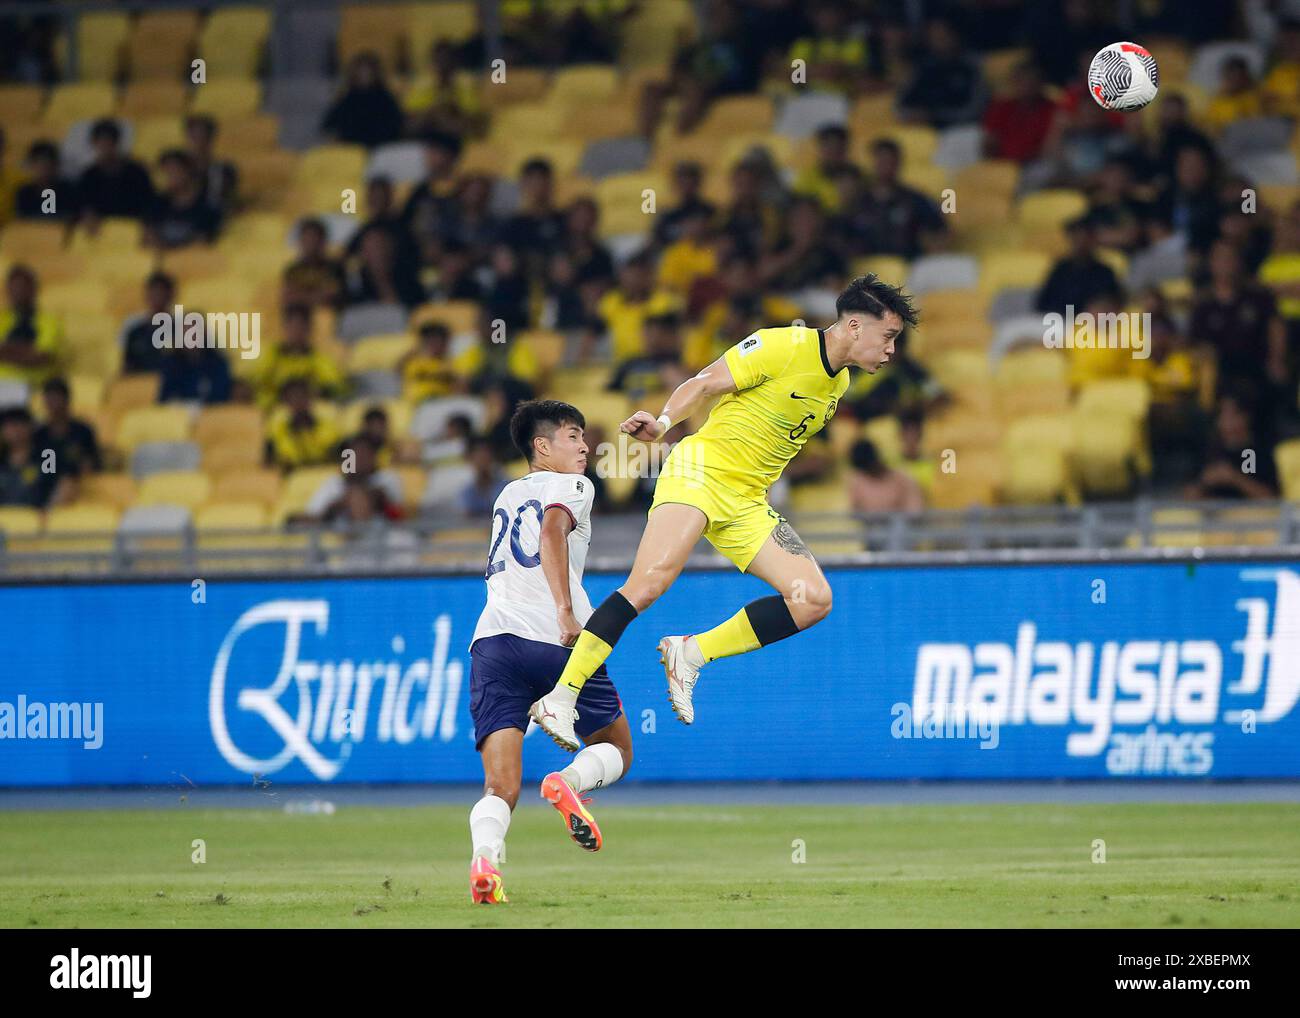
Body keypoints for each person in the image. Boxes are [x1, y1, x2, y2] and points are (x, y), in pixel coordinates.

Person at [529, 275, 918, 749]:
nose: (892, 350)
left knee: (813, 598)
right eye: (890, 336)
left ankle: (691, 652)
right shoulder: (784, 345)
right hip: (701, 471)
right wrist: (665, 422)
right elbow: (706, 381)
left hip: (747, 501)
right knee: (648, 584)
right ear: (856, 326)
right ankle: (560, 697)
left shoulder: (838, 384)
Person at [467, 399, 633, 904]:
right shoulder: (576, 485)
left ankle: (486, 862)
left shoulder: (507, 493)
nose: (584, 446)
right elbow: (552, 530)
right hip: (558, 643)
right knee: (618, 749)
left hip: (492, 644)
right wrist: (565, 609)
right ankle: (568, 781)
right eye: (572, 435)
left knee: (499, 787)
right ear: (542, 447)